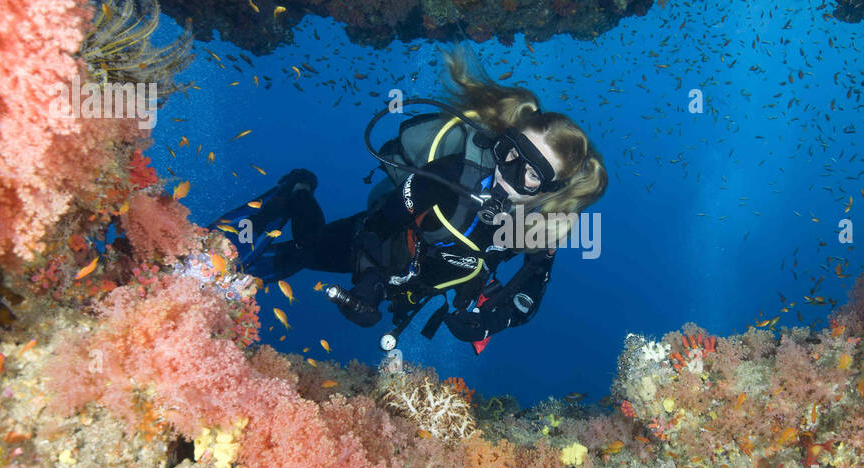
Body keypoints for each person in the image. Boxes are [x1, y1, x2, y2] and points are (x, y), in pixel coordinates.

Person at [213, 47, 607, 350]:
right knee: (295, 255)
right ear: (500, 143)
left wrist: (492, 322)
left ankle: (297, 198)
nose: (508, 175)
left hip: (422, 286)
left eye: (531, 175)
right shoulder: (453, 174)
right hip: (378, 248)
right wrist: (369, 282)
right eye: (508, 154)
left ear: (549, 191)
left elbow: (531, 289)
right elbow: (381, 223)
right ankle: (297, 191)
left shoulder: (538, 225)